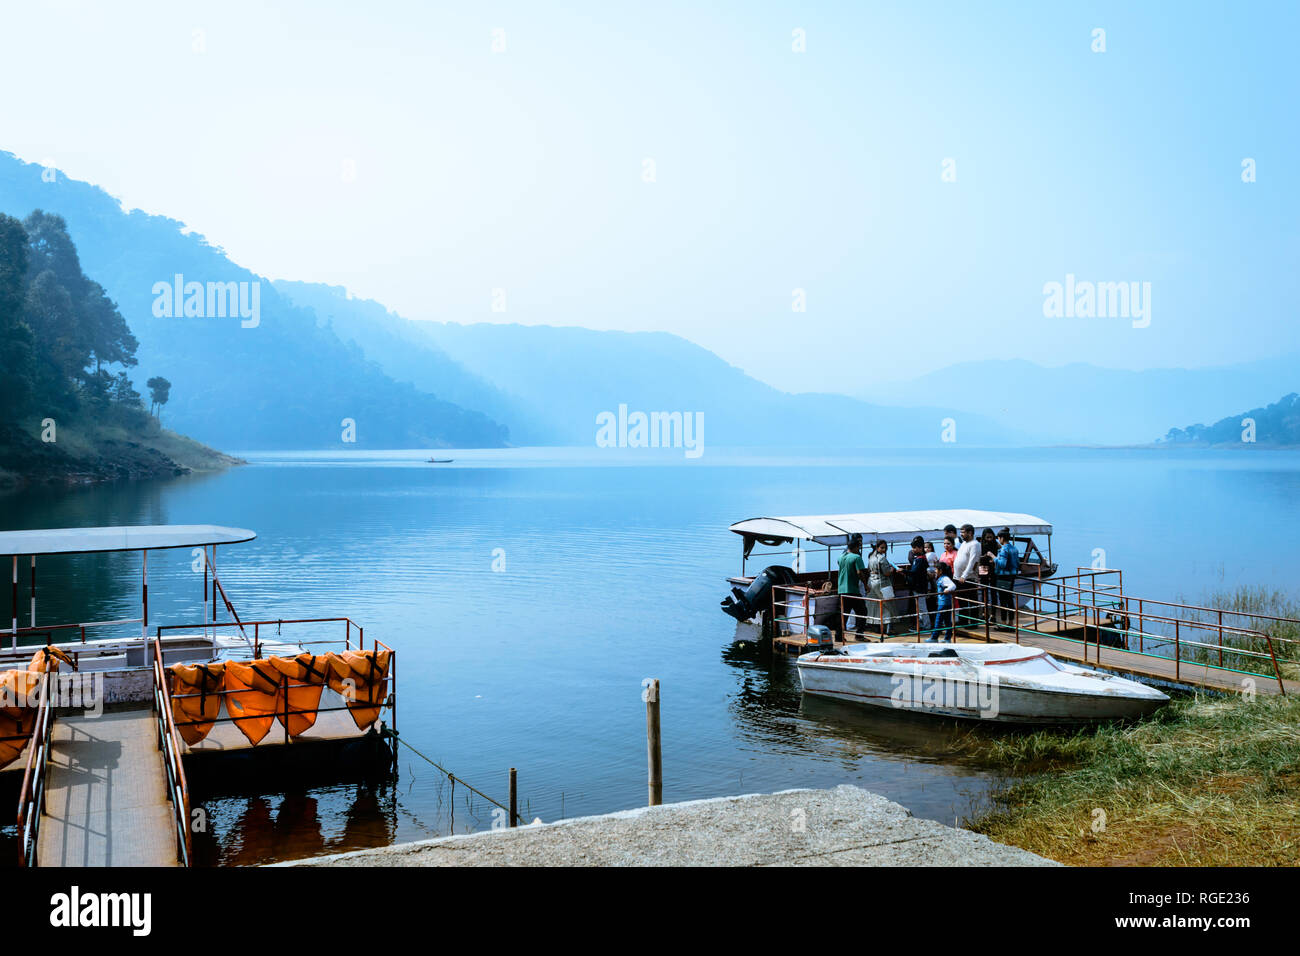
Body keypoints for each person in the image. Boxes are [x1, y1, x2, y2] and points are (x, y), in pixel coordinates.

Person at [836, 533, 870, 640]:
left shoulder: (841, 557)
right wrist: (865, 585)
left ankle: (838, 636)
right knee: (862, 611)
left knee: (843, 614)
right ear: (856, 547)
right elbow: (860, 572)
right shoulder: (856, 557)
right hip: (853, 590)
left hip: (841, 589)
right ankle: (859, 635)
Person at [952, 523, 982, 625]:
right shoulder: (964, 543)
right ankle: (963, 620)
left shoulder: (975, 544)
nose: (961, 534)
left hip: (968, 578)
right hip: (958, 577)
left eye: (963, 532)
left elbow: (973, 562)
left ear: (970, 533)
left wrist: (964, 575)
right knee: (962, 601)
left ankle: (974, 622)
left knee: (972, 600)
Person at [866, 539, 896, 637]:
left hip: (871, 582)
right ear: (877, 547)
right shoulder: (882, 559)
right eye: (882, 548)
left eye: (885, 548)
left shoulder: (870, 557)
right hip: (882, 583)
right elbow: (887, 572)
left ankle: (875, 626)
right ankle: (889, 628)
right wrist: (892, 569)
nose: (884, 550)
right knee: (889, 604)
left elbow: (868, 569)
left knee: (874, 605)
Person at [993, 528, 1021, 625]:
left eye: (998, 538)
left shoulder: (1004, 549)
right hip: (1012, 576)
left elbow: (1002, 564)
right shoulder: (1014, 548)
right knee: (1010, 599)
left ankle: (1004, 622)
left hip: (1003, 577)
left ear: (1001, 538)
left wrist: (993, 557)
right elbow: (1017, 563)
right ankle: (1011, 622)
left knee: (1003, 600)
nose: (998, 540)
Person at [928, 563, 958, 642]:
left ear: (940, 571)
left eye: (936, 569)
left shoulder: (944, 578)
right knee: (947, 621)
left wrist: (947, 590)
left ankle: (934, 637)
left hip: (943, 603)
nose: (935, 571)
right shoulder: (941, 578)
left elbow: (953, 586)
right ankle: (947, 638)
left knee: (938, 620)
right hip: (946, 602)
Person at [907, 538, 931, 632]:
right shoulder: (919, 558)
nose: (912, 550)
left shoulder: (920, 560)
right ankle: (922, 624)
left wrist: (904, 571)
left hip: (919, 587)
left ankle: (927, 626)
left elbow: (914, 572)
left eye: (914, 547)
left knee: (922, 607)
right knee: (920, 608)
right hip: (918, 586)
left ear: (920, 548)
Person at [978, 528, 999, 619]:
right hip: (983, 569)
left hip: (993, 570)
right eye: (987, 537)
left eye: (991, 537)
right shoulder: (980, 545)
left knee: (993, 593)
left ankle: (993, 614)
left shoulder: (996, 544)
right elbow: (978, 558)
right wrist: (985, 556)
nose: (989, 539)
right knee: (984, 592)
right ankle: (984, 612)